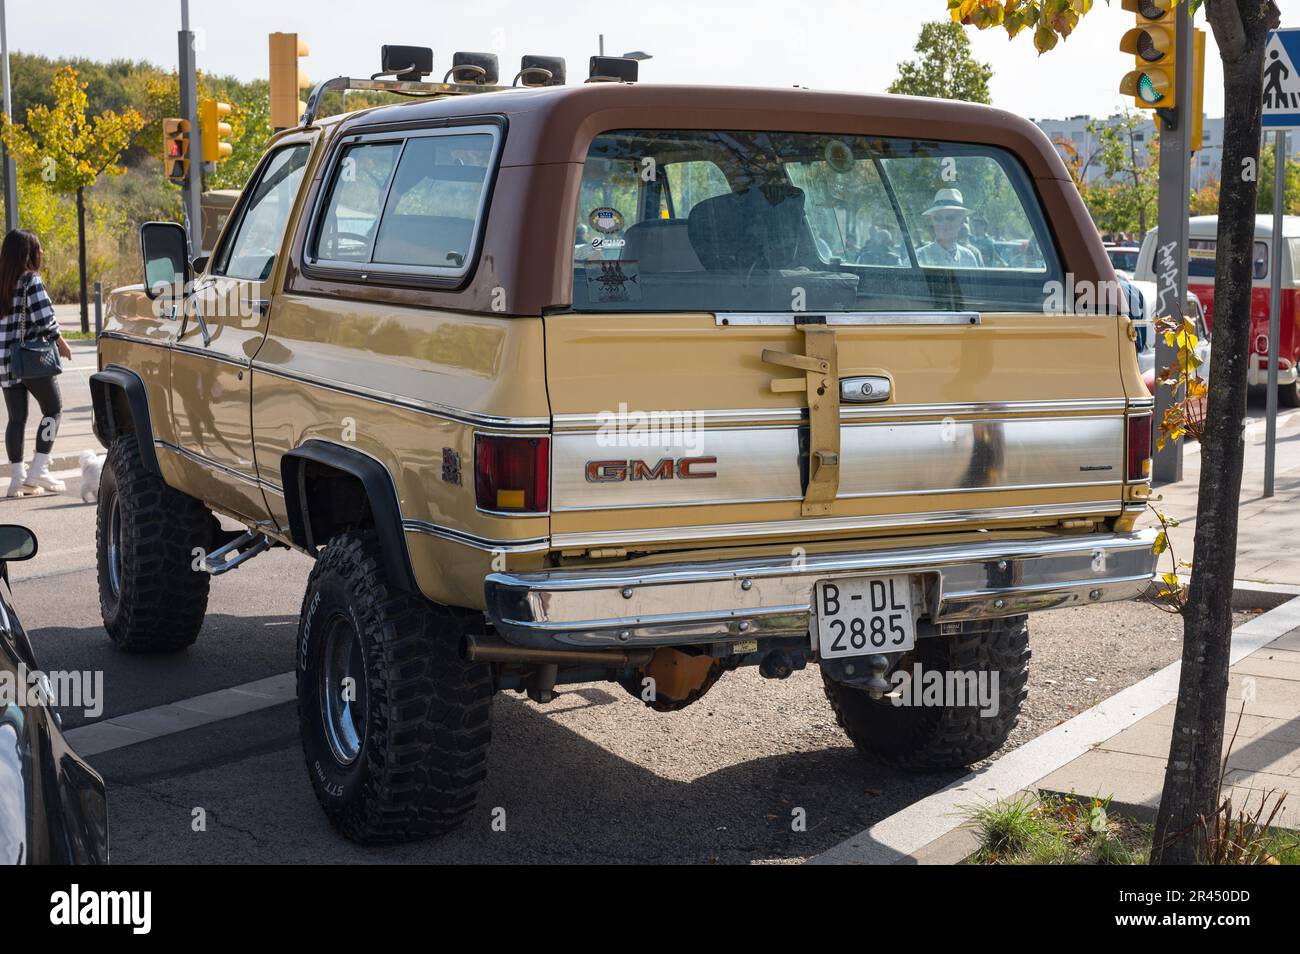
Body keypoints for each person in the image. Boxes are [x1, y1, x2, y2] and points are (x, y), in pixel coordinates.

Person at [0, 230, 72, 496]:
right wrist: (61, 342)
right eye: (39, 249)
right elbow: (44, 319)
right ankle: (39, 469)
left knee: (16, 418)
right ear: (28, 253)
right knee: (53, 409)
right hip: (30, 359)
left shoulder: (3, 282)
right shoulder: (31, 280)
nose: (42, 253)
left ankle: (17, 479)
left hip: (4, 362)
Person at [915, 189, 983, 267]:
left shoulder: (969, 258)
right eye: (938, 218)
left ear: (961, 221)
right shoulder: (918, 258)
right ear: (932, 221)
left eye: (950, 218)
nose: (944, 223)